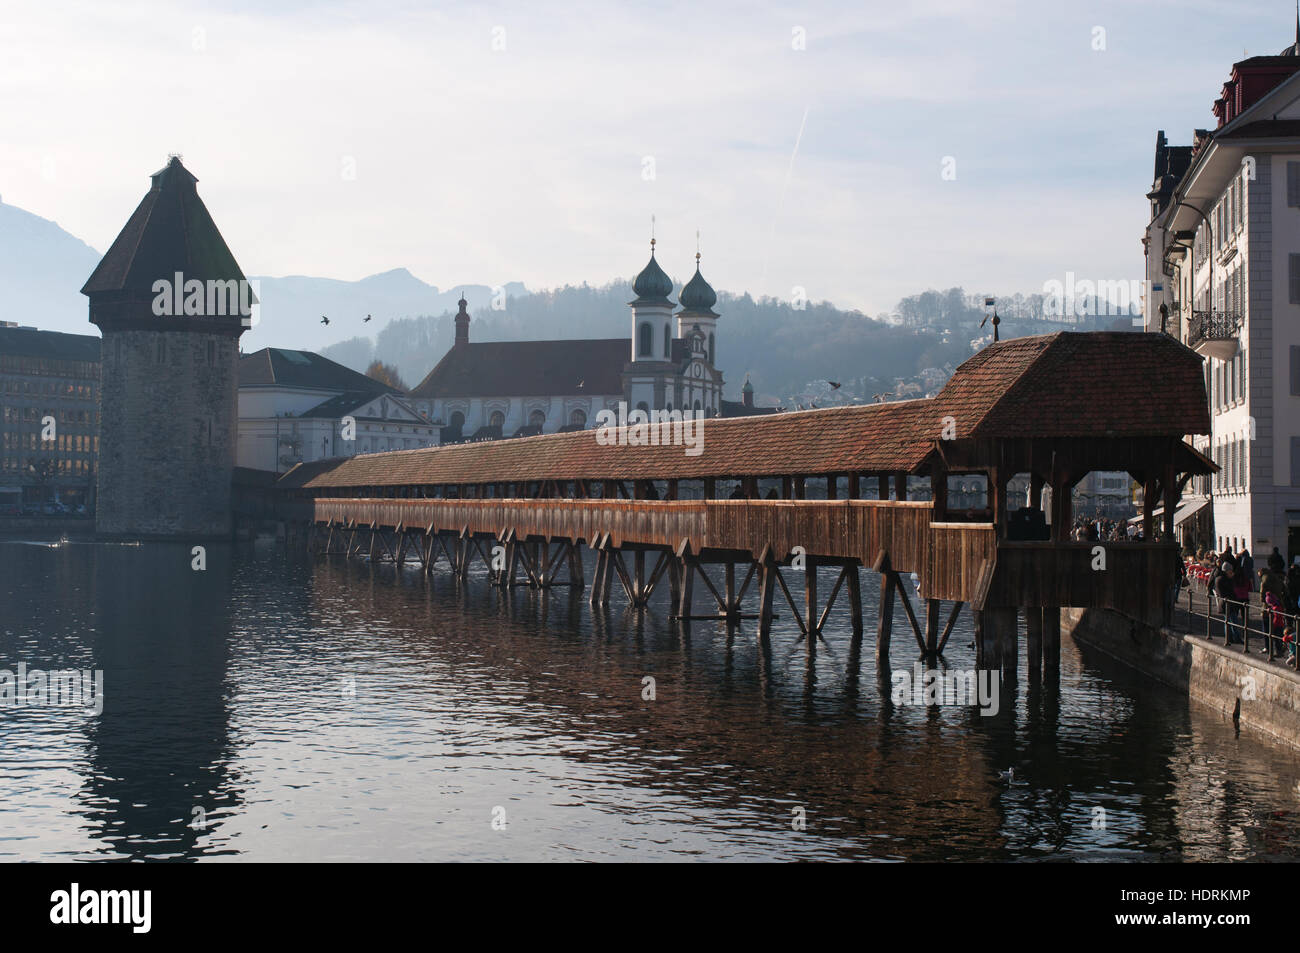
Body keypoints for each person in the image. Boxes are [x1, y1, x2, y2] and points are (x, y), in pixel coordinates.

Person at [1216, 562, 1243, 644]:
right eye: (1230, 571)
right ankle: (1236, 638)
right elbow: (1228, 591)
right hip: (1228, 603)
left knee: (1228, 621)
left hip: (1226, 603)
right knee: (1233, 622)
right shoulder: (1223, 580)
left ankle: (1229, 638)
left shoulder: (1220, 578)